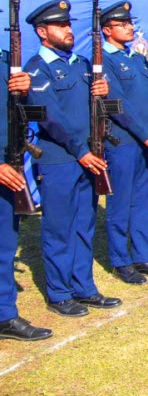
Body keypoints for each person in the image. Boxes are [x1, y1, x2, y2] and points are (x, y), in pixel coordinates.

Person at [25, 0, 122, 316]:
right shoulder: (36, 70)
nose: (69, 30)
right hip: (60, 161)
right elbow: (51, 118)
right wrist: (81, 152)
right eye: (61, 25)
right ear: (42, 31)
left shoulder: (81, 64)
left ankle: (84, 287)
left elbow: (92, 111)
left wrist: (102, 94)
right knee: (59, 228)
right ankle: (59, 293)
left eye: (68, 24)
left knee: (84, 225)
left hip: (89, 157)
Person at [99, 1, 148, 284]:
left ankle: (143, 256)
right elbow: (116, 106)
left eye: (130, 23)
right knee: (120, 203)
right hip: (123, 142)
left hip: (147, 142)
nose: (130, 27)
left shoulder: (138, 59)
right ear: (107, 30)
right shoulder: (103, 61)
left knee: (144, 202)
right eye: (123, 24)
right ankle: (121, 260)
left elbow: (147, 100)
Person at [0, 43, 51, 339]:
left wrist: (26, 90)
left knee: (5, 246)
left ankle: (5, 315)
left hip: (11, 167)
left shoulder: (8, 61)